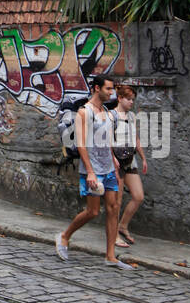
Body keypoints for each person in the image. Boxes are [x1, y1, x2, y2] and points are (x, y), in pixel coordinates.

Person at [55, 75, 132, 269]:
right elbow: (81, 144)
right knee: (93, 211)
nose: (111, 92)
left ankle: (110, 256)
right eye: (108, 89)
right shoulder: (84, 112)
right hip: (92, 170)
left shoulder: (105, 111)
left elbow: (106, 141)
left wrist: (114, 162)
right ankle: (64, 237)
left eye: (112, 89)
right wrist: (89, 171)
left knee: (114, 209)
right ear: (97, 88)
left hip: (108, 169)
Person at [112, 84, 148, 248]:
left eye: (133, 99)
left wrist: (143, 157)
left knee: (138, 196)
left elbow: (136, 139)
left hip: (130, 160)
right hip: (116, 162)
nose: (131, 102)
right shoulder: (111, 116)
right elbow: (104, 141)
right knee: (116, 202)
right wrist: (112, 158)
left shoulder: (131, 116)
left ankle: (123, 226)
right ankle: (113, 237)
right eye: (128, 99)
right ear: (119, 98)